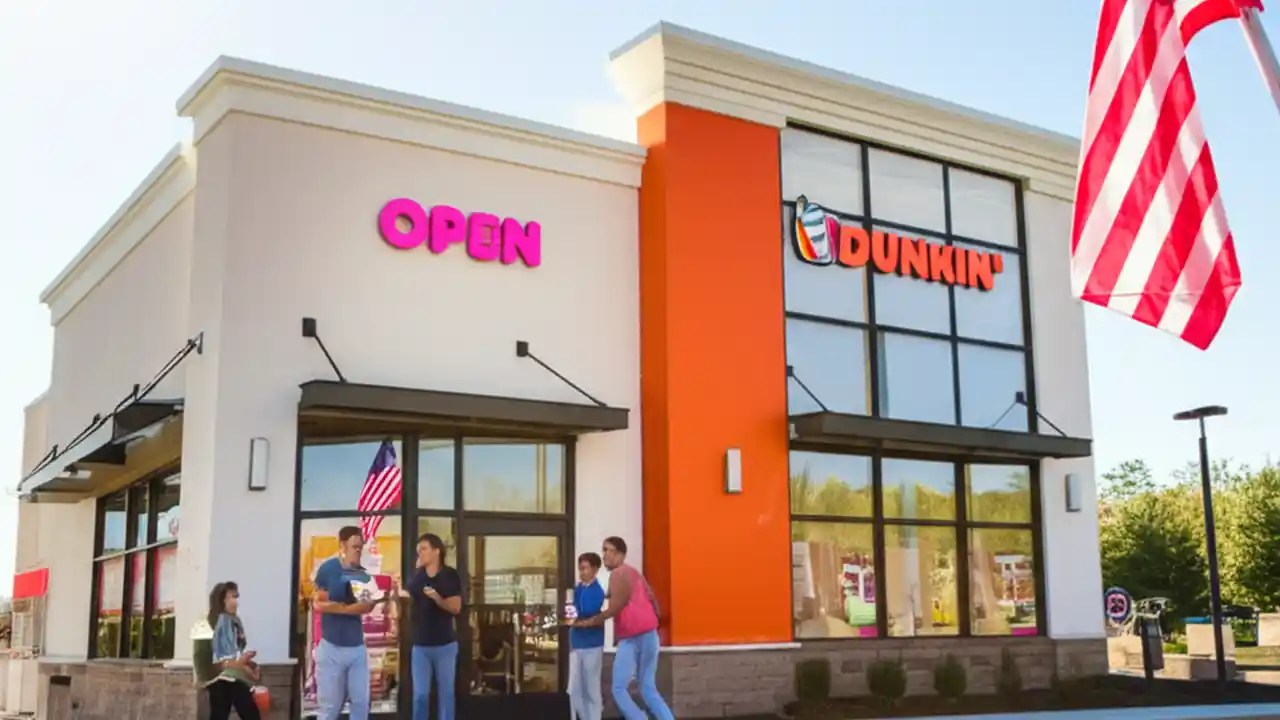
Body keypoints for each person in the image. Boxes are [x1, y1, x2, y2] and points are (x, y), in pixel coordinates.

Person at [572, 537, 673, 720]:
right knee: (648, 687)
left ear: (620, 554)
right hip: (650, 634)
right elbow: (651, 598)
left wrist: (589, 622)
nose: (604, 556)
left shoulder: (619, 574)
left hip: (632, 638)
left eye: (608, 550)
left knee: (619, 688)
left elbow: (614, 608)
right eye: (603, 550)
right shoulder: (634, 573)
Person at [312, 526, 393, 720]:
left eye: (360, 547)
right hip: (331, 648)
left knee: (361, 703)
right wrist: (345, 607)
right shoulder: (328, 569)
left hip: (356, 649)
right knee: (330, 707)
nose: (358, 550)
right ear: (342, 545)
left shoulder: (361, 574)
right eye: (354, 546)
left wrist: (341, 608)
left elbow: (367, 606)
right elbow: (317, 601)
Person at [406, 533, 462, 720]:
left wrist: (438, 598)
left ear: (436, 551)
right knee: (420, 695)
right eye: (418, 551)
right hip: (420, 646)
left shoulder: (450, 575)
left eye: (423, 549)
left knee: (446, 695)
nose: (419, 554)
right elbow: (405, 600)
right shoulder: (417, 578)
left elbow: (455, 608)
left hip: (445, 645)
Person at [207, 581, 260, 720]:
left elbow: (236, 650)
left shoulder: (235, 620)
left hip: (232, 674)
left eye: (236, 597)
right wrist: (247, 668)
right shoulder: (223, 621)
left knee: (222, 714)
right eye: (230, 597)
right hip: (226, 676)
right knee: (248, 713)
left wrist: (247, 662)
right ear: (221, 600)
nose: (234, 601)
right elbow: (225, 657)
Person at [567, 552, 605, 720]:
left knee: (591, 687)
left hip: (592, 644)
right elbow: (572, 611)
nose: (581, 572)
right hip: (576, 644)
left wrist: (576, 619)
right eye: (580, 568)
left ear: (595, 569)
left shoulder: (597, 591)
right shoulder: (577, 589)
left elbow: (588, 612)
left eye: (585, 568)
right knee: (574, 688)